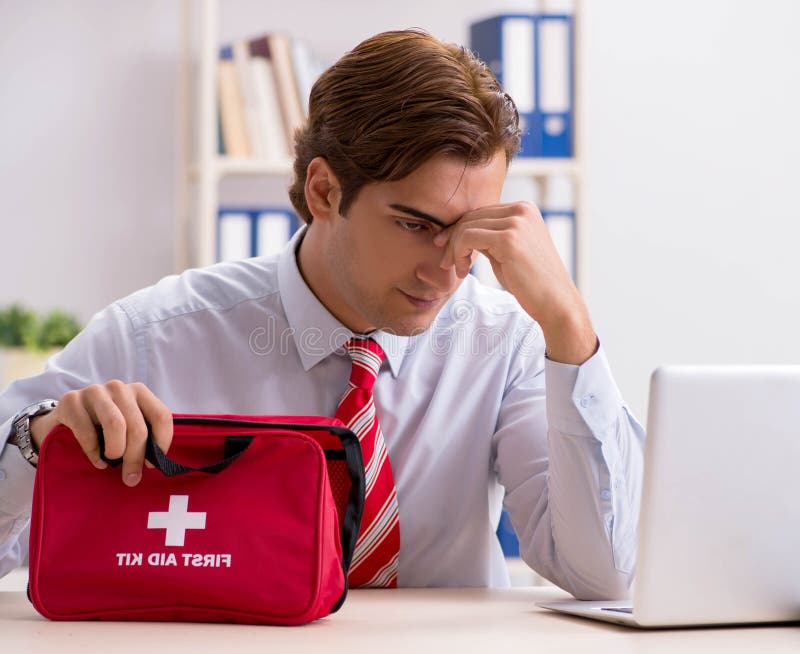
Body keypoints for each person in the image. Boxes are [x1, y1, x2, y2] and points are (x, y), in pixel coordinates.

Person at [0, 29, 644, 596]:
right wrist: (37, 441)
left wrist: (568, 324)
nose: (449, 268)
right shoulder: (154, 336)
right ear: (324, 190)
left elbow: (602, 574)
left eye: (472, 231)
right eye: (417, 225)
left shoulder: (506, 342)